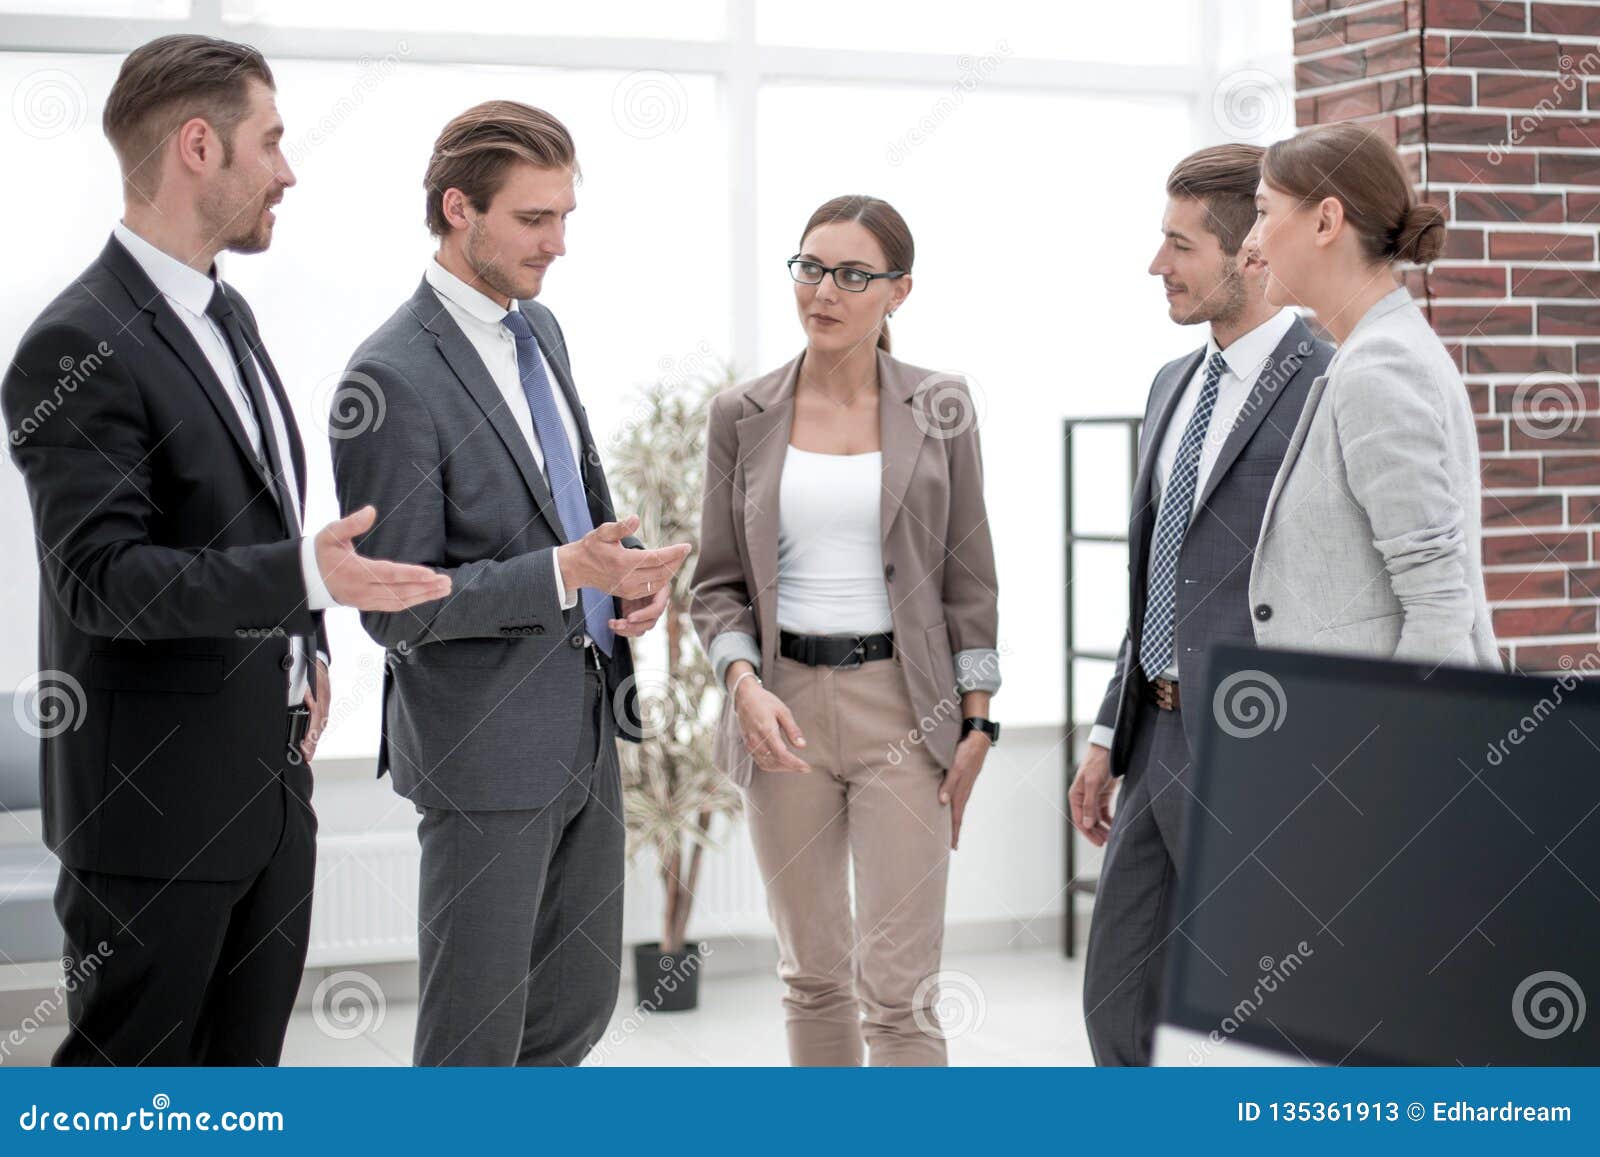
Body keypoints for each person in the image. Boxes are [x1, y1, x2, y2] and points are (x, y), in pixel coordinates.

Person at [0, 34, 450, 1066]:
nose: (289, 171)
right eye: (272, 141)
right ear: (198, 147)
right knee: (127, 1103)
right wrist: (306, 578)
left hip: (268, 796)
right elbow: (103, 580)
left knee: (241, 1096)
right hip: (153, 817)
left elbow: (239, 516)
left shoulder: (225, 309)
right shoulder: (75, 343)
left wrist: (306, 645)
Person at [330, 100, 690, 1066]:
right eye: (534, 219)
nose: (558, 243)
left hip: (586, 728)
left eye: (565, 216)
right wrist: (564, 572)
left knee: (575, 1011)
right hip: (484, 754)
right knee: (474, 1040)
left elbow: (567, 505)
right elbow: (391, 607)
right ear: (460, 209)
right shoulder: (390, 376)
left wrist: (620, 580)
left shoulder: (542, 332)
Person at [689, 195, 1001, 1066]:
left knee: (900, 992)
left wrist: (979, 721)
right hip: (779, 708)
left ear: (899, 290)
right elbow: (716, 585)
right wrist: (743, 686)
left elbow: (971, 579)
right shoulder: (740, 413)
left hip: (905, 708)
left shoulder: (941, 405)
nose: (824, 291)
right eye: (811, 268)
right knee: (813, 976)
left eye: (853, 275)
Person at [1073, 145, 1334, 1066]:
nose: (1158, 264)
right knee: (1115, 1004)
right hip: (1155, 739)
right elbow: (1157, 579)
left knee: (1272, 1022)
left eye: (1180, 245)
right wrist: (1108, 734)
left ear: (1250, 252)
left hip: (1258, 748)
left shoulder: (1329, 384)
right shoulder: (1169, 385)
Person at [1244, 122, 1499, 669]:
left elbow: (1439, 605)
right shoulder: (1379, 348)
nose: (1252, 240)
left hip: (1390, 722)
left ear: (1326, 221)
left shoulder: (1378, 364)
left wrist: (1388, 723)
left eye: (1263, 212)